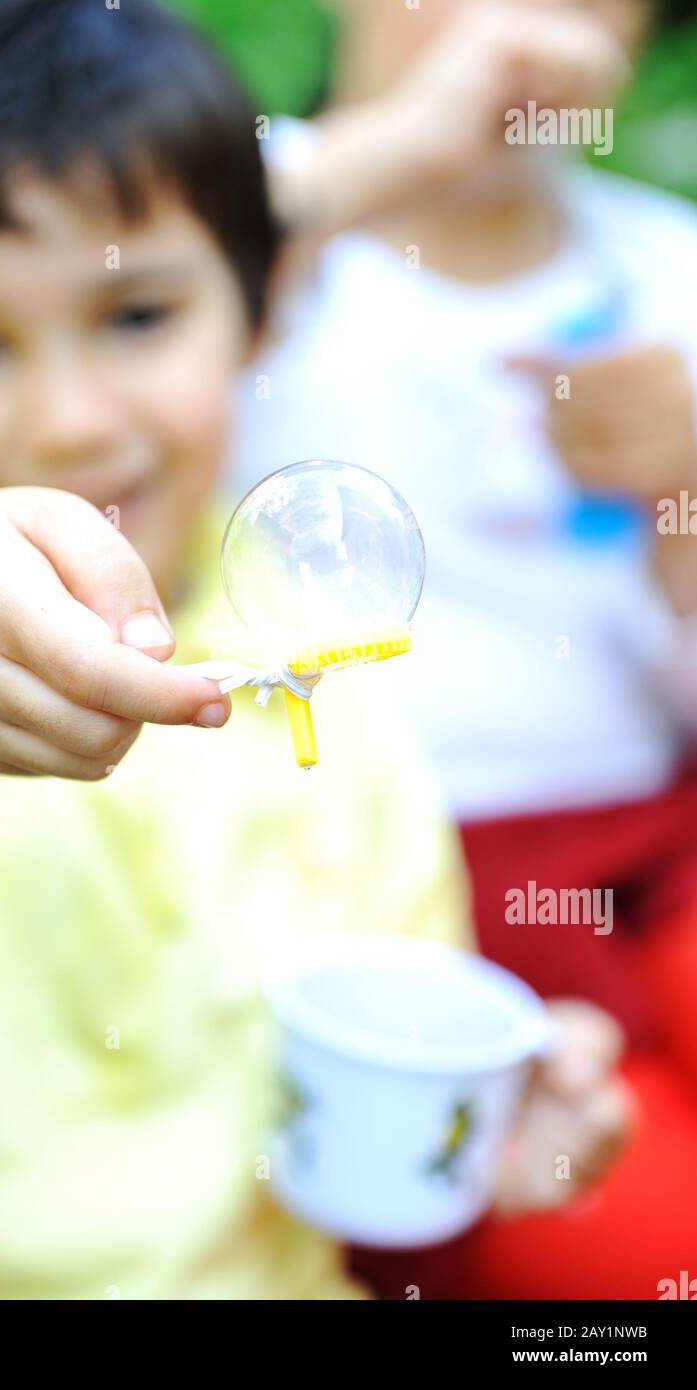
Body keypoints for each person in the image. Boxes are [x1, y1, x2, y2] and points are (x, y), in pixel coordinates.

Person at [0, 0, 627, 1299]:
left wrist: (474, 1121)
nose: (73, 419)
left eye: (138, 316)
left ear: (261, 319)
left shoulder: (342, 711)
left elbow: (334, 1090)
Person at [233, 0, 697, 1296]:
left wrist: (683, 504)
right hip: (368, 875)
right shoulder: (264, 240)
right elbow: (93, 265)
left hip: (648, 842)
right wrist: (392, 146)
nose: (505, 19)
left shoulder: (667, 273)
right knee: (625, 1238)